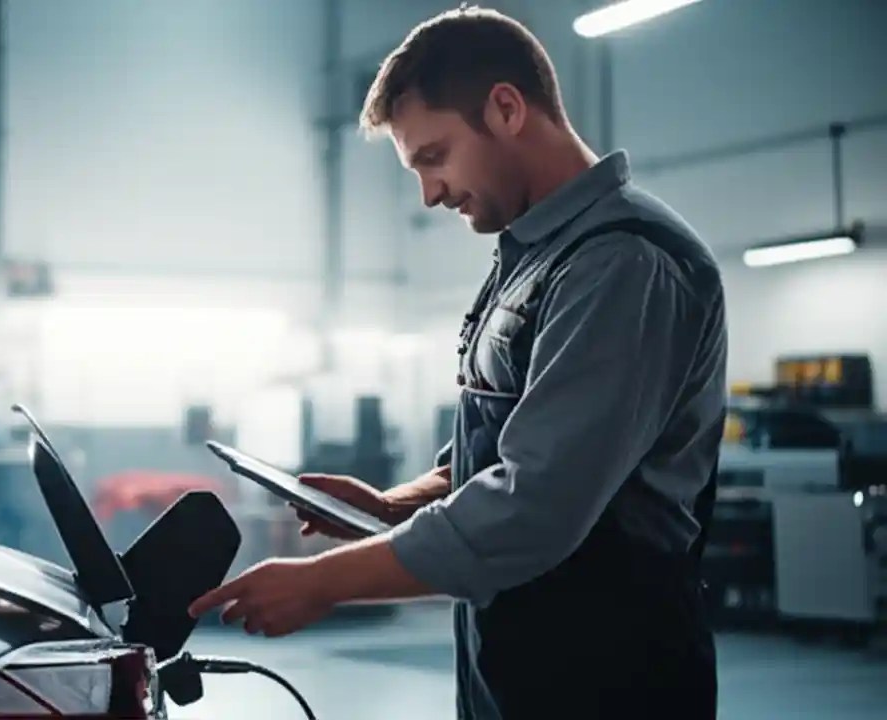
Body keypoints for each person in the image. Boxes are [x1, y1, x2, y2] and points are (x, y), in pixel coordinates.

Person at [188, 5, 727, 719]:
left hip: (610, 677)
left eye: (434, 157)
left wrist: (324, 581)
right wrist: (392, 506)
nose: (429, 193)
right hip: (517, 669)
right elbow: (504, 453)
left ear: (506, 108)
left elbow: (535, 503)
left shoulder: (622, 264)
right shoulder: (535, 260)